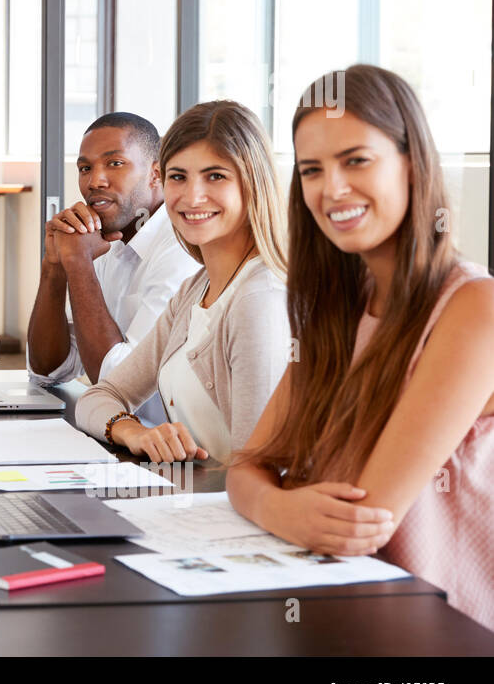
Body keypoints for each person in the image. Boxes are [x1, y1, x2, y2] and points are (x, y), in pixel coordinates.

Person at [228, 65, 494, 632]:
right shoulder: (340, 309)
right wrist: (279, 505)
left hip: (439, 636)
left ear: (411, 162)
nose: (333, 189)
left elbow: (360, 521)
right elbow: (247, 465)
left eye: (356, 160)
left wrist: (282, 499)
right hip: (343, 610)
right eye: (312, 170)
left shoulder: (473, 306)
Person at [74, 101, 289, 463]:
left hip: (233, 513)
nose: (192, 197)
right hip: (196, 501)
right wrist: (135, 432)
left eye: (215, 176)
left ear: (252, 182)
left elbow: (259, 470)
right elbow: (99, 396)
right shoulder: (194, 292)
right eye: (178, 177)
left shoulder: (258, 299)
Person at [26, 112, 199, 424]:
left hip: (179, 459)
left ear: (156, 174)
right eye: (85, 168)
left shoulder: (181, 247)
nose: (95, 181)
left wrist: (78, 264)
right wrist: (54, 267)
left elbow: (117, 384)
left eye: (115, 163)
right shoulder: (104, 240)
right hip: (122, 436)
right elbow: (48, 371)